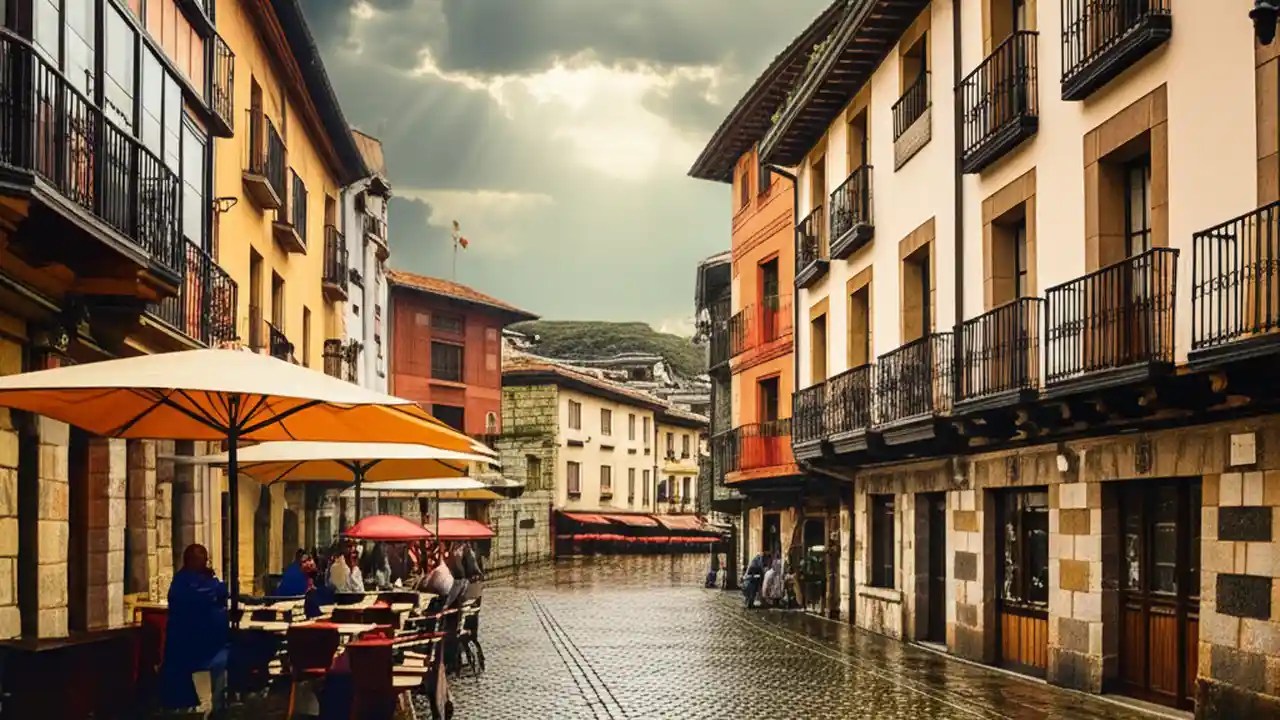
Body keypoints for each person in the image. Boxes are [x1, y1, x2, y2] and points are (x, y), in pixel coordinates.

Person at [160, 544, 230, 713]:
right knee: (230, 656)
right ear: (193, 561)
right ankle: (220, 706)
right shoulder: (188, 583)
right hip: (200, 646)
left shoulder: (182, 581)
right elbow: (218, 592)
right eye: (203, 560)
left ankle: (217, 704)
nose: (206, 563)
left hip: (192, 645)